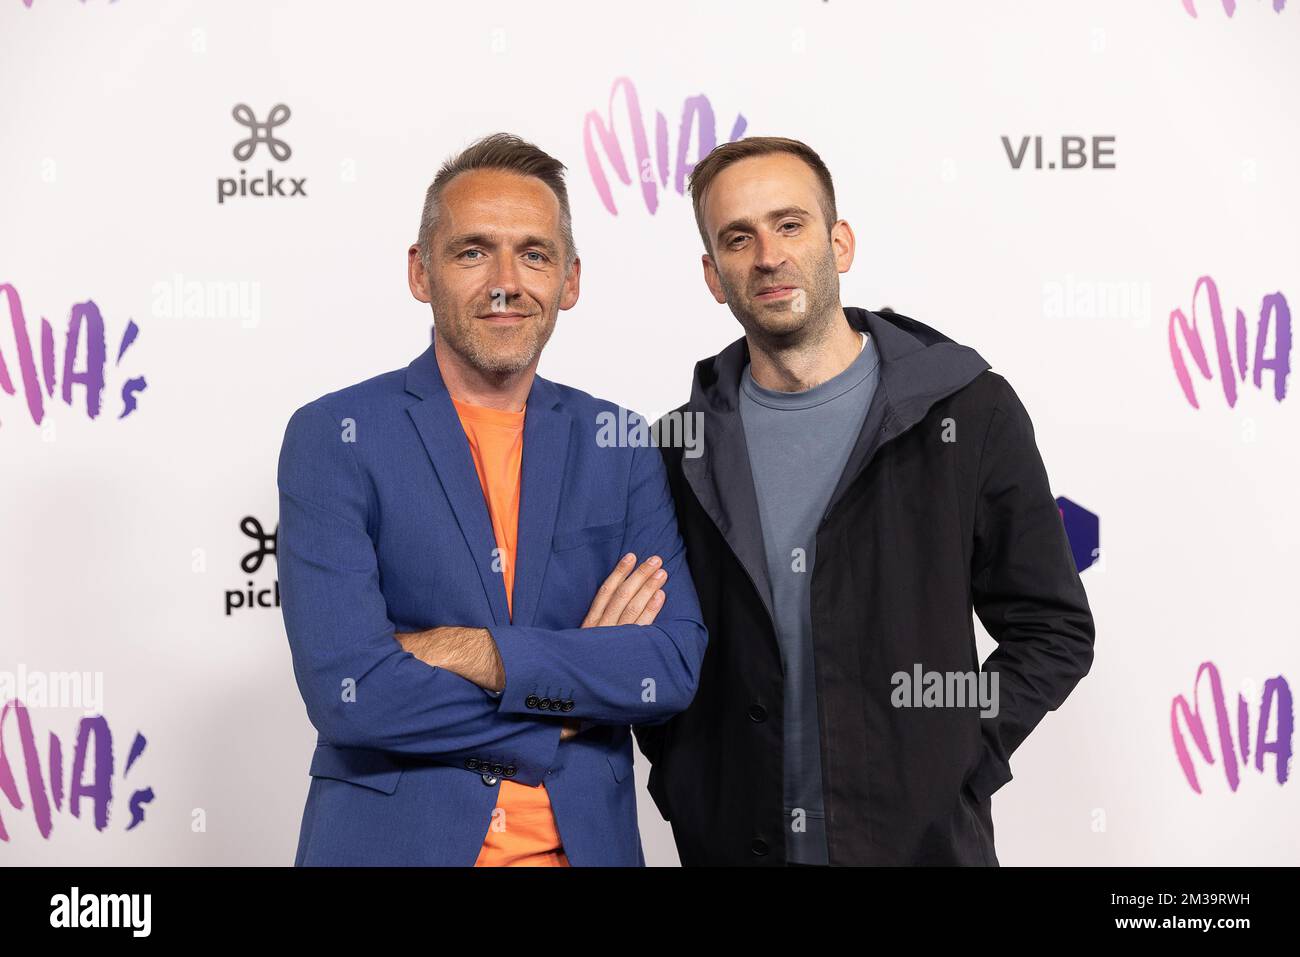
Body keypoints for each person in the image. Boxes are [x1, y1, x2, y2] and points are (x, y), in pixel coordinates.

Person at [635, 136, 1095, 866]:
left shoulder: (967, 411)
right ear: (713, 275)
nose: (768, 255)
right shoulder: (675, 450)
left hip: (921, 850)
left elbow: (1053, 628)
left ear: (839, 242)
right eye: (738, 237)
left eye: (790, 225)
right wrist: (689, 781)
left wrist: (955, 754)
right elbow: (651, 648)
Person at [278, 132, 706, 866]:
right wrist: (564, 700)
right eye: (474, 251)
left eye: (534, 254)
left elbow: (665, 664)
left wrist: (473, 651)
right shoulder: (334, 436)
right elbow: (350, 689)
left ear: (570, 280)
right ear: (421, 272)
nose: (507, 281)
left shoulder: (620, 440)